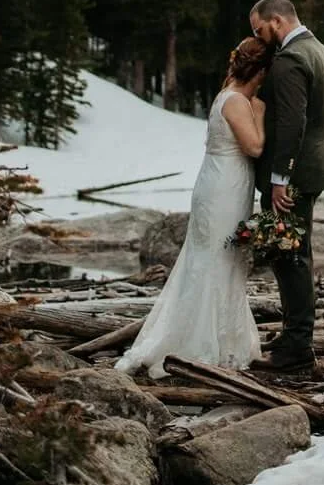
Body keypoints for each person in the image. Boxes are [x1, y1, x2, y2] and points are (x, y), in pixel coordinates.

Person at [115, 37, 270, 379]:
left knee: (218, 259)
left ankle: (224, 340)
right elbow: (255, 147)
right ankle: (203, 345)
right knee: (217, 259)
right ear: (258, 71)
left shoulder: (227, 93)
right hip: (223, 188)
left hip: (222, 183)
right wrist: (260, 111)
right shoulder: (237, 101)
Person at [248, 0, 324, 371]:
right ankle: (293, 333)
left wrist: (279, 178)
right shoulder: (320, 50)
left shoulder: (289, 60)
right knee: (294, 253)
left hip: (295, 175)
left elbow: (292, 123)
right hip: (313, 168)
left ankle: (297, 346)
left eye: (259, 30)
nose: (258, 37)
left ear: (276, 21)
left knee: (290, 257)